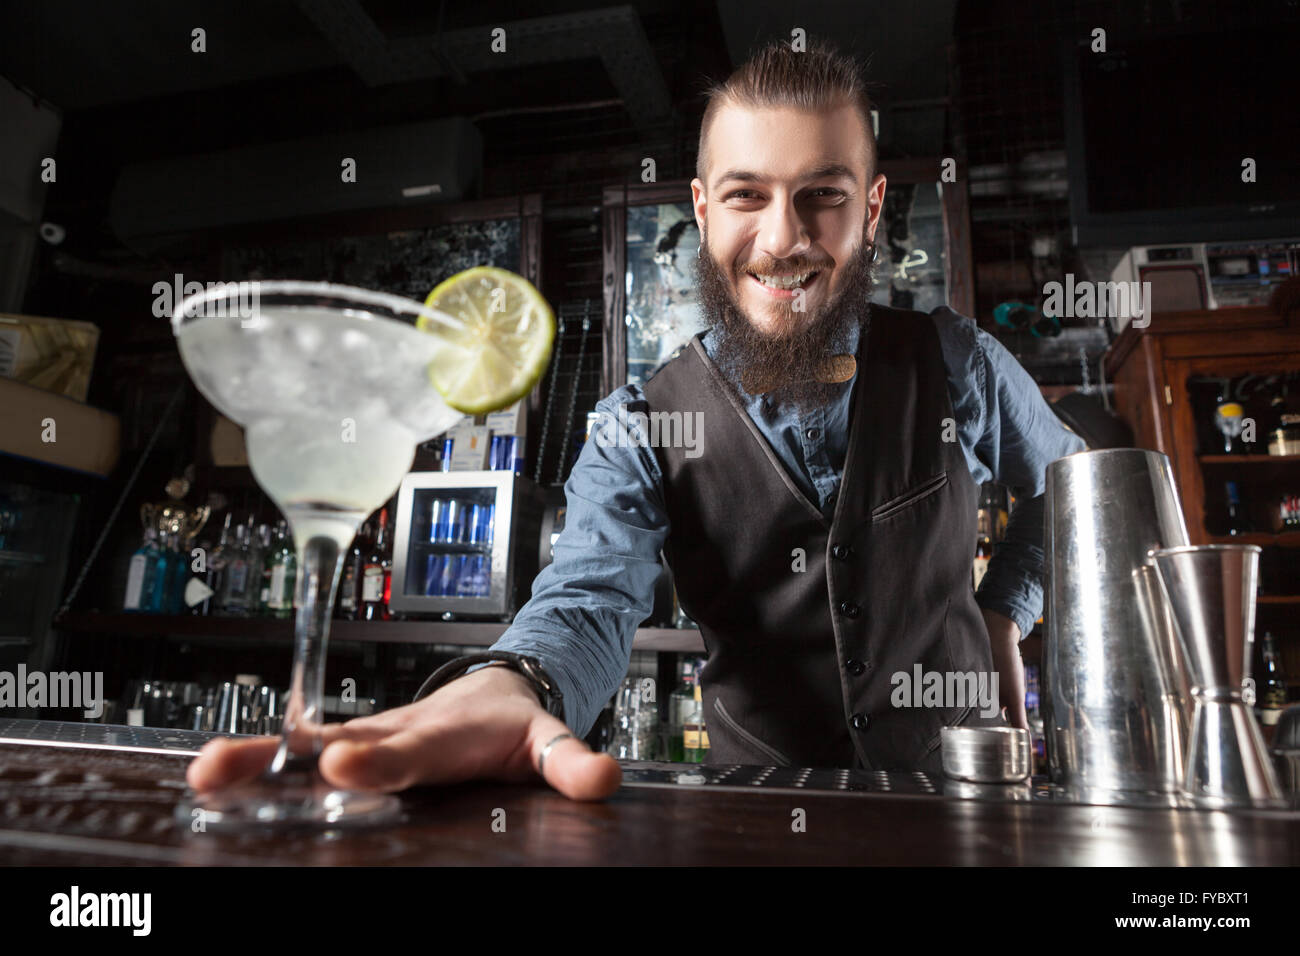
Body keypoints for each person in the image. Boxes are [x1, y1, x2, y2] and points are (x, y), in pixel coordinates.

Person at [189, 39, 1086, 802]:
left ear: (873, 209)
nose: (783, 237)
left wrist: (1007, 610)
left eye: (824, 193)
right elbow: (584, 599)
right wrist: (513, 684)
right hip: (756, 816)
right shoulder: (640, 423)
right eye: (746, 196)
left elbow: (1068, 490)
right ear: (702, 211)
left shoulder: (955, 359)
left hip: (968, 802)